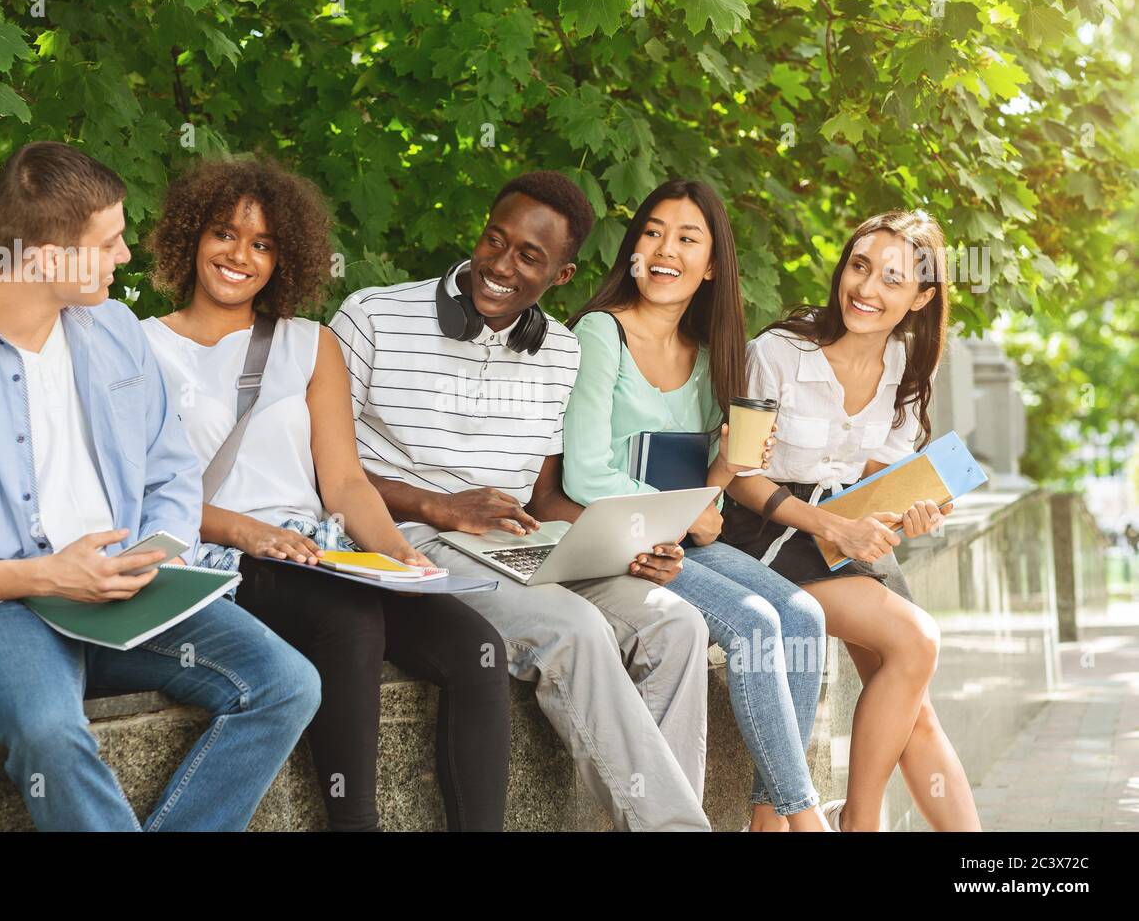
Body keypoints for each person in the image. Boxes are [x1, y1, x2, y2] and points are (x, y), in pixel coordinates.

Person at [0, 141, 320, 831]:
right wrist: (44, 575)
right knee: (49, 728)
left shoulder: (112, 330)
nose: (127, 256)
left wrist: (158, 552)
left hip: (127, 591)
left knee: (287, 684)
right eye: (109, 243)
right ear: (49, 260)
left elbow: (169, 470)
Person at [331, 170, 714, 831]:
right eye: (494, 240)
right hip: (402, 541)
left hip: (517, 543)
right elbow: (321, 472)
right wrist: (439, 507)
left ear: (561, 276)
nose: (501, 264)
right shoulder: (370, 316)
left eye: (529, 257)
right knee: (576, 631)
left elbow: (544, 499)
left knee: (678, 624)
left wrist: (628, 545)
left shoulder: (561, 352)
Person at [144, 155, 510, 831]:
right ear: (192, 235)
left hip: (320, 553)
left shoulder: (311, 346)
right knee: (347, 617)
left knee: (477, 647)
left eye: (262, 244)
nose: (239, 256)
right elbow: (139, 496)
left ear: (284, 259)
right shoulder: (139, 349)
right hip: (219, 556)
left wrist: (401, 556)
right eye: (224, 234)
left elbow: (343, 481)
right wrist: (249, 532)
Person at [560, 179, 829, 831]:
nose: (665, 249)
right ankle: (806, 816)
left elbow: (708, 489)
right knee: (754, 623)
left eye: (687, 238)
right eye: (652, 232)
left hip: (680, 540)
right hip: (611, 540)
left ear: (711, 266)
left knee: (803, 615)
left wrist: (730, 464)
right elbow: (586, 473)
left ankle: (768, 815)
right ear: (630, 250)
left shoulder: (710, 359)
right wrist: (689, 515)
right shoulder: (600, 335)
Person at [723, 210, 982, 831]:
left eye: (893, 280)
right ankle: (860, 824)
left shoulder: (906, 369)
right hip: (771, 530)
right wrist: (831, 527)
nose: (867, 290)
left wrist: (917, 514)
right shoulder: (778, 353)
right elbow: (737, 473)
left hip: (847, 533)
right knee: (916, 640)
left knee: (915, 709)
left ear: (921, 297)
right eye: (859, 267)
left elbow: (877, 481)